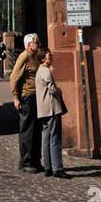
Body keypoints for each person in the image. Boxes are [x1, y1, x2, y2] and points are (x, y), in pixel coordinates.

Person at [9, 32, 43, 172]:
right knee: (27, 130)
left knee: (36, 130)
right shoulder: (24, 56)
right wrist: (16, 97)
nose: (38, 43)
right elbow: (14, 77)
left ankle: (35, 160)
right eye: (36, 41)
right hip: (27, 96)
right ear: (29, 44)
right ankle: (26, 162)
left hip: (36, 97)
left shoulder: (35, 56)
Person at [35, 48, 67, 178]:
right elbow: (52, 89)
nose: (51, 58)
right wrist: (59, 90)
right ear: (43, 59)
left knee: (46, 138)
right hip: (51, 108)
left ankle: (48, 167)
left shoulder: (39, 71)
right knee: (55, 139)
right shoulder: (46, 71)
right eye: (49, 56)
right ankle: (57, 168)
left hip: (43, 109)